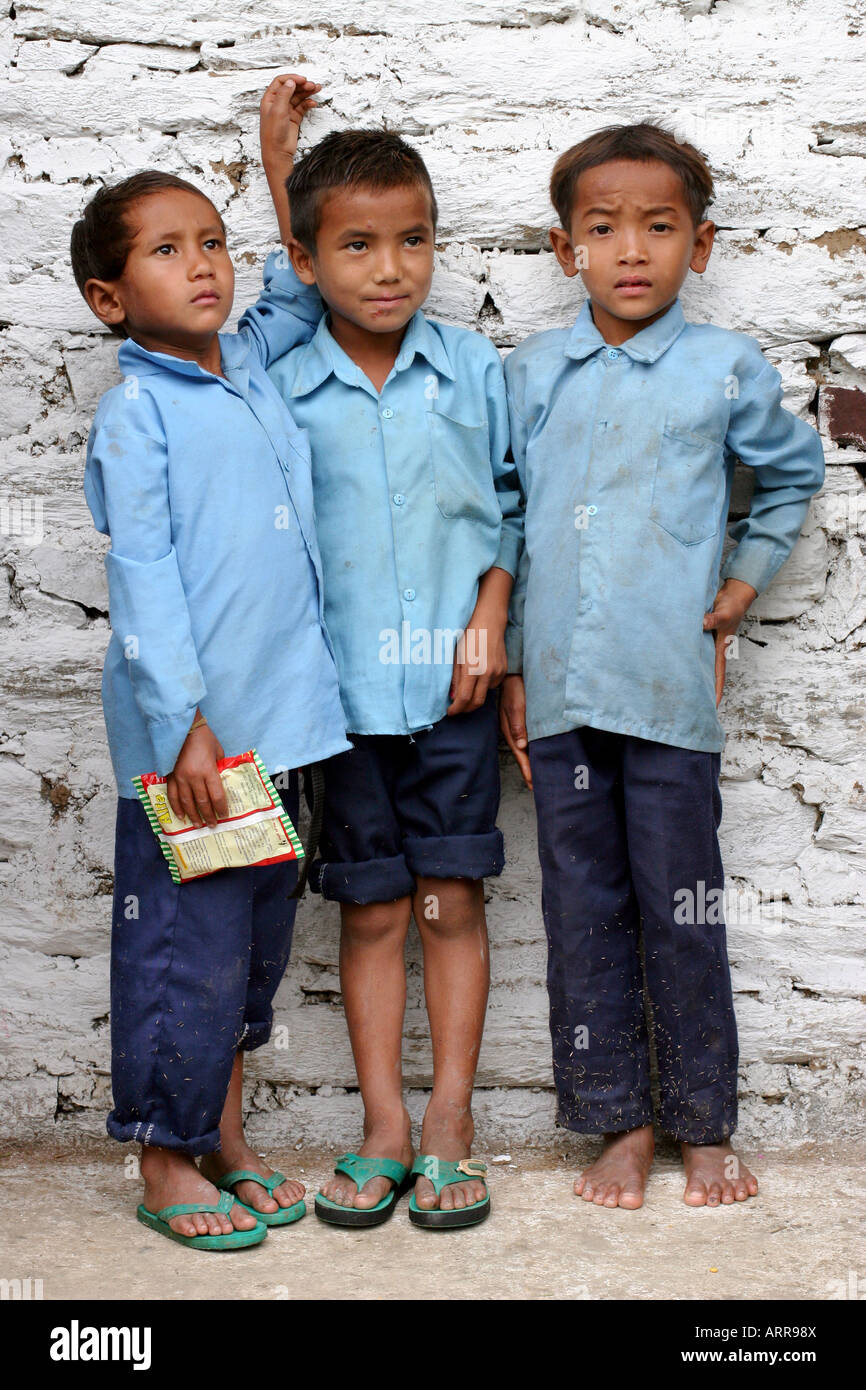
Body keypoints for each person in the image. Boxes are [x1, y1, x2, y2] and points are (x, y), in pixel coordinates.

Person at [499, 122, 825, 1211]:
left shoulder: (721, 368)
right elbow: (503, 519)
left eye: (657, 226)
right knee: (581, 907)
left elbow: (787, 478)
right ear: (563, 251)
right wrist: (505, 664)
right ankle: (618, 1124)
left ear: (700, 241)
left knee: (681, 904)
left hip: (667, 696)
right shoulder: (532, 373)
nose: (629, 249)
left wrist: (738, 589)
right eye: (602, 228)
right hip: (555, 690)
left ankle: (703, 1122)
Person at [72, 75, 350, 1250]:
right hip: (198, 746)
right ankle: (165, 1159)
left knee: (246, 959)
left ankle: (225, 1137)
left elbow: (299, 280)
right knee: (183, 957)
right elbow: (143, 583)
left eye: (214, 243)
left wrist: (274, 155)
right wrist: (183, 724)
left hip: (281, 733)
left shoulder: (253, 362)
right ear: (107, 296)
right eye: (169, 250)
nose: (206, 266)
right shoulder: (138, 414)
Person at [263, 114, 523, 1228]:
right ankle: (382, 1126)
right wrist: (277, 165)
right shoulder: (277, 375)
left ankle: (450, 1124)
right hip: (340, 703)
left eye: (412, 240)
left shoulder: (468, 366)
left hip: (455, 694)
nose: (389, 268)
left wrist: (490, 617)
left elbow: (508, 504)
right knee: (369, 912)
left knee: (448, 898)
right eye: (357, 247)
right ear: (308, 260)